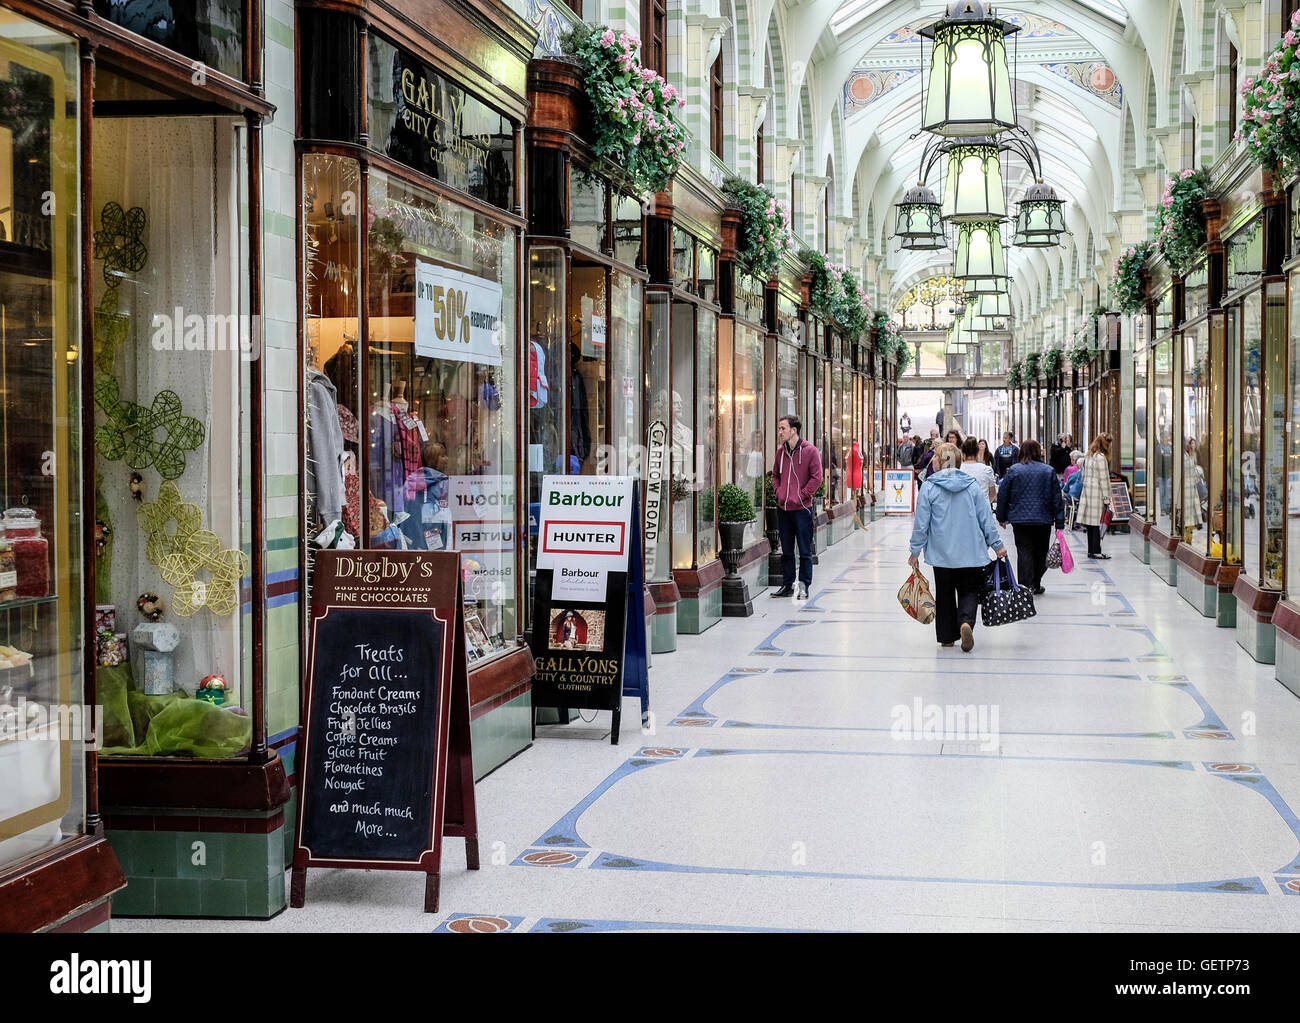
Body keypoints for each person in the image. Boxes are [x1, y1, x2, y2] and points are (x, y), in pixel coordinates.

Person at [908, 443, 1008, 652]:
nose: (933, 460)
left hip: (941, 554)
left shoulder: (929, 487)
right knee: (969, 591)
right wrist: (997, 545)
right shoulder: (971, 486)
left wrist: (915, 551)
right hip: (971, 551)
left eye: (935, 457)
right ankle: (965, 623)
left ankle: (946, 637)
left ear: (940, 461)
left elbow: (921, 523)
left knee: (944, 594)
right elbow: (985, 519)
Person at [995, 439, 1065, 595]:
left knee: (1024, 551)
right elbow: (1056, 498)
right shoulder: (1048, 471)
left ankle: (1025, 586)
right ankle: (1036, 582)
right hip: (1043, 519)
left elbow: (1003, 495)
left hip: (1020, 519)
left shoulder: (1014, 470)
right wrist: (1060, 522)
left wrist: (1001, 516)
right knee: (1041, 552)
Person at [770, 413, 823, 600]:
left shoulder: (810, 451)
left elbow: (817, 478)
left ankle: (804, 585)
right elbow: (775, 475)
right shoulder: (780, 452)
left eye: (783, 428)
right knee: (786, 551)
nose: (780, 432)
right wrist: (779, 492)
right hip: (783, 509)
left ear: (794, 430)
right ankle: (787, 584)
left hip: (802, 509)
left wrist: (801, 496)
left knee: (804, 550)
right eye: (779, 428)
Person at [1077, 432, 1113, 559]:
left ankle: (1091, 551)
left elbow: (1082, 475)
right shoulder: (1101, 458)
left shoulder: (1089, 455)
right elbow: (1103, 479)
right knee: (1097, 523)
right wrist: (1106, 498)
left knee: (1091, 524)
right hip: (1097, 493)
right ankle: (1097, 551)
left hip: (1087, 492)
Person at [959, 436, 996, 505]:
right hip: (982, 510)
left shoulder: (958, 469)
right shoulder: (987, 470)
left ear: (963, 453)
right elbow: (992, 494)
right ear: (977, 452)